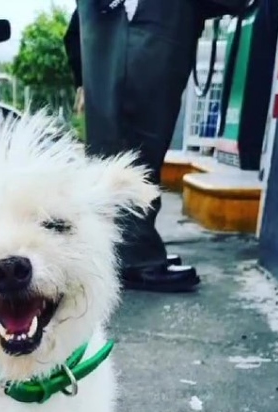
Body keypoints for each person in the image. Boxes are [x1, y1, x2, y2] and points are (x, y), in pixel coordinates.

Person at [66, 0, 206, 293]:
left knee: (129, 149)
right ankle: (131, 256)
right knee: (133, 146)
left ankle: (125, 249)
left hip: (128, 28)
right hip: (142, 32)